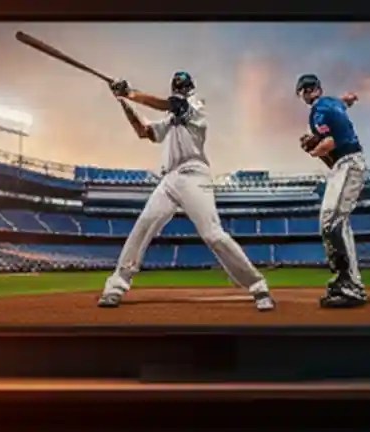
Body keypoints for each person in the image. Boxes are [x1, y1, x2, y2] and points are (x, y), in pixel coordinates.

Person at [97, 71, 274, 311]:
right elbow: (144, 131)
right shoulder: (170, 119)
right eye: (178, 87)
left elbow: (171, 104)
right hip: (169, 178)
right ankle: (116, 286)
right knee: (143, 225)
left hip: (195, 175)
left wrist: (130, 92)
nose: (181, 90)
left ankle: (258, 286)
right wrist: (123, 102)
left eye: (184, 87)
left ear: (190, 89)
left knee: (213, 234)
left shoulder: (196, 107)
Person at [297, 73, 368, 308]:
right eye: (305, 89)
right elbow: (344, 102)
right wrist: (350, 99)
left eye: (308, 89)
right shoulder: (332, 103)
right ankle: (347, 280)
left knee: (332, 221)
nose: (307, 92)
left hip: (348, 163)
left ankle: (350, 285)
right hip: (348, 163)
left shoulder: (317, 112)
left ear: (315, 90)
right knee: (334, 221)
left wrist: (313, 149)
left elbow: (329, 143)